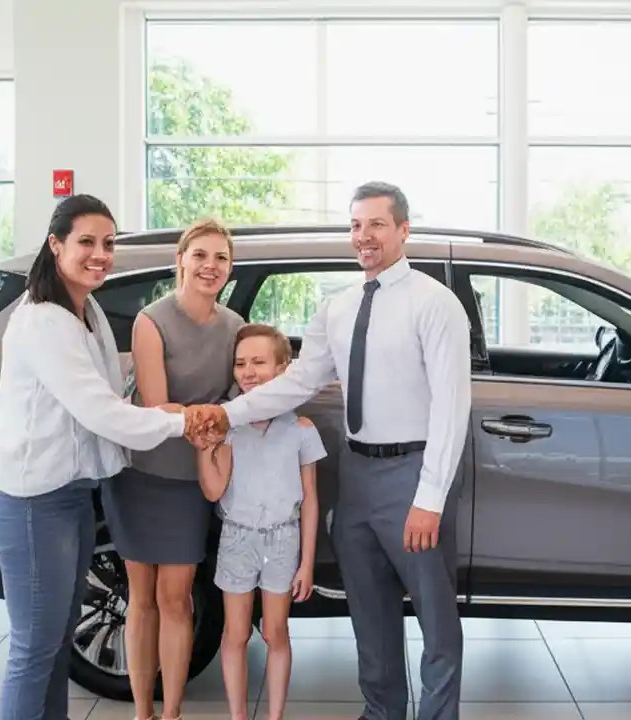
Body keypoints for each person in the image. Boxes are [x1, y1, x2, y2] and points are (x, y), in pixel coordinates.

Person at [197, 181, 472, 720]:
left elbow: (451, 406)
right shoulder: (339, 307)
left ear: (403, 230)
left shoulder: (435, 304)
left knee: (436, 616)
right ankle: (382, 711)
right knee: (368, 612)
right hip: (358, 473)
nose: (363, 236)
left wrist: (430, 498)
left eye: (376, 224)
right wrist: (225, 414)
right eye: (355, 225)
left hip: (415, 473)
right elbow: (298, 381)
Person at [0, 194, 215, 720]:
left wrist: (171, 407)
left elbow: (114, 400)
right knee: (33, 651)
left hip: (70, 497)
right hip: (30, 505)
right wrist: (185, 421)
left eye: (108, 243)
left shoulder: (85, 312)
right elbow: (103, 413)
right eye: (86, 242)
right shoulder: (44, 321)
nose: (100, 254)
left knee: (57, 646)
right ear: (55, 244)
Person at [100, 218, 244, 720]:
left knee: (178, 597)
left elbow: (236, 395)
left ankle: (174, 710)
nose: (210, 266)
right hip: (140, 473)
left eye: (220, 258)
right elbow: (157, 405)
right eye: (200, 255)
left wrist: (216, 417)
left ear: (230, 268)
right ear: (180, 259)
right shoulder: (151, 321)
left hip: (189, 478)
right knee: (141, 597)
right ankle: (143, 711)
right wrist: (210, 417)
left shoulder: (234, 327)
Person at [197, 323, 325, 720]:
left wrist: (306, 563)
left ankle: (275, 716)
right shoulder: (229, 426)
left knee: (275, 633)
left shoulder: (301, 431)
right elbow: (214, 491)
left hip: (282, 541)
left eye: (258, 362)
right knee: (234, 634)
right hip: (238, 539)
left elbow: (310, 502)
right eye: (240, 363)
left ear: (284, 368)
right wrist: (205, 448)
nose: (248, 371)